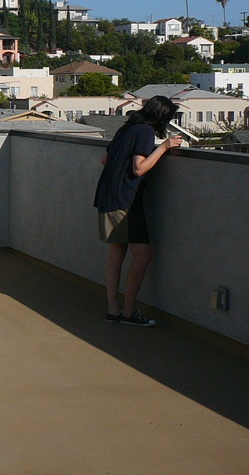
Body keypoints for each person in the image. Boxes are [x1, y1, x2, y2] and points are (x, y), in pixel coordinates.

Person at [93, 96, 182, 326]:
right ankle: (129, 312)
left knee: (116, 254)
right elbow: (139, 168)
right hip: (127, 199)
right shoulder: (145, 131)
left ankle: (113, 310)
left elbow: (105, 160)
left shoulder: (126, 127)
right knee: (143, 255)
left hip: (107, 196)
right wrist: (164, 146)